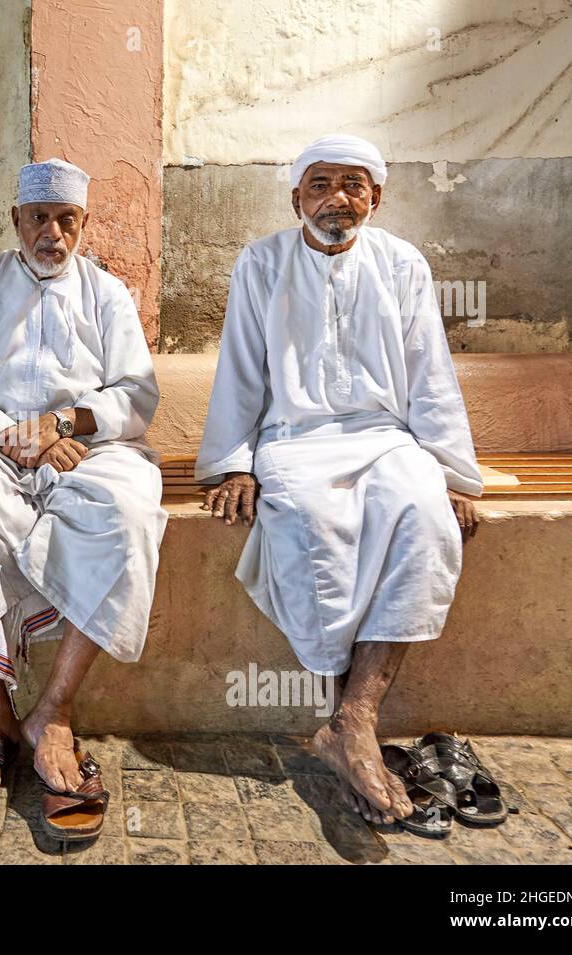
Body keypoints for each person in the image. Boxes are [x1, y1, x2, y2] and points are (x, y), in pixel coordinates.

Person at [196, 134, 482, 827]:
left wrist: (450, 469)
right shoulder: (261, 262)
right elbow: (240, 367)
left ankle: (354, 716)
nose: (337, 198)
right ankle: (343, 725)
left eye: (354, 185)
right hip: (293, 440)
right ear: (297, 198)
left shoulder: (403, 263)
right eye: (320, 184)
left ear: (375, 198)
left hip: (387, 438)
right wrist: (235, 459)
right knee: (302, 519)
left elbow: (430, 373)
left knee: (424, 513)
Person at [0, 158, 167, 843]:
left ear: (82, 224)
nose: (51, 233)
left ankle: (52, 711)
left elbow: (135, 394)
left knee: (131, 507)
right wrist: (12, 435)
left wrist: (63, 425)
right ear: (16, 221)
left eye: (66, 220)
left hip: (82, 448)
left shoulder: (107, 296)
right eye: (38, 219)